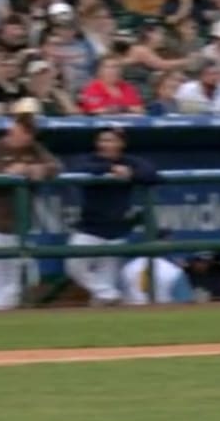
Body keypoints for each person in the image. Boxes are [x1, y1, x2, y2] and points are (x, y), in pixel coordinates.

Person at [0, 113, 61, 311]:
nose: (27, 137)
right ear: (13, 129)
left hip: (20, 228)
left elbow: (56, 167)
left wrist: (35, 169)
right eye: (23, 132)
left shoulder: (34, 148)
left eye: (31, 133)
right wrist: (8, 172)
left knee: (28, 278)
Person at [65, 128, 160, 306]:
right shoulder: (91, 160)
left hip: (116, 232)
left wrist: (131, 173)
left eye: (110, 141)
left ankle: (102, 312)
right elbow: (80, 168)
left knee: (104, 285)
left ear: (121, 144)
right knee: (74, 267)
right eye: (102, 140)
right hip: (89, 229)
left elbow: (151, 173)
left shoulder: (129, 161)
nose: (105, 144)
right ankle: (111, 295)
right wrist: (111, 168)